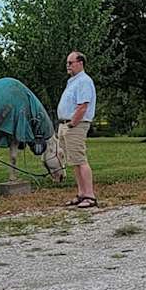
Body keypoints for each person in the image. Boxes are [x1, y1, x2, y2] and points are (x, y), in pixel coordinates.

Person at [57, 50, 97, 208]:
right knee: (74, 160)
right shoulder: (72, 81)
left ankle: (90, 195)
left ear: (80, 63)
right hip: (66, 124)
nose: (68, 66)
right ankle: (81, 193)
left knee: (80, 159)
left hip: (76, 125)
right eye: (67, 63)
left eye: (70, 63)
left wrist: (72, 123)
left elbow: (83, 106)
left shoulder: (84, 81)